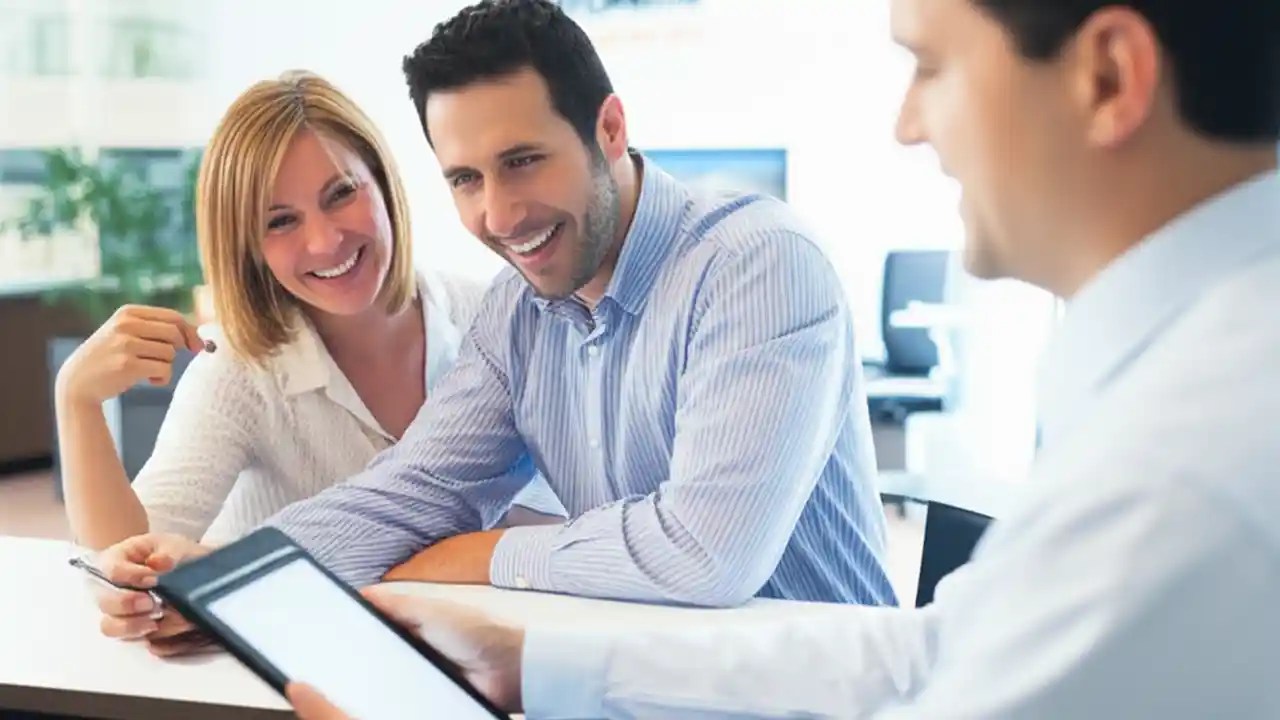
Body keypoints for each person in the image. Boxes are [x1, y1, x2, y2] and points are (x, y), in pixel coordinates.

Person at [271, 0, 1280, 717]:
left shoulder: (1182, 473)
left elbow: (708, 557)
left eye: (928, 64)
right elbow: (926, 656)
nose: (904, 124)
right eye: (463, 178)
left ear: (1105, 76)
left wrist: (490, 560)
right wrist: (530, 670)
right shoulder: (1173, 387)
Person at [88, 0, 896, 632]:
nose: (500, 214)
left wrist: (473, 555)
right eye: (466, 179)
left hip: (817, 696)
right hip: (643, 684)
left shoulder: (755, 263)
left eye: (522, 162)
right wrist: (217, 580)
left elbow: (706, 553)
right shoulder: (518, 314)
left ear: (609, 129)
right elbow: (408, 494)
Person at [56, 69, 564, 558]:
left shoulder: (494, 317)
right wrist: (75, 401)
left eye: (341, 193)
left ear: (383, 183)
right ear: (248, 248)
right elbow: (129, 564)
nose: (324, 242)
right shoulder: (239, 369)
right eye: (280, 221)